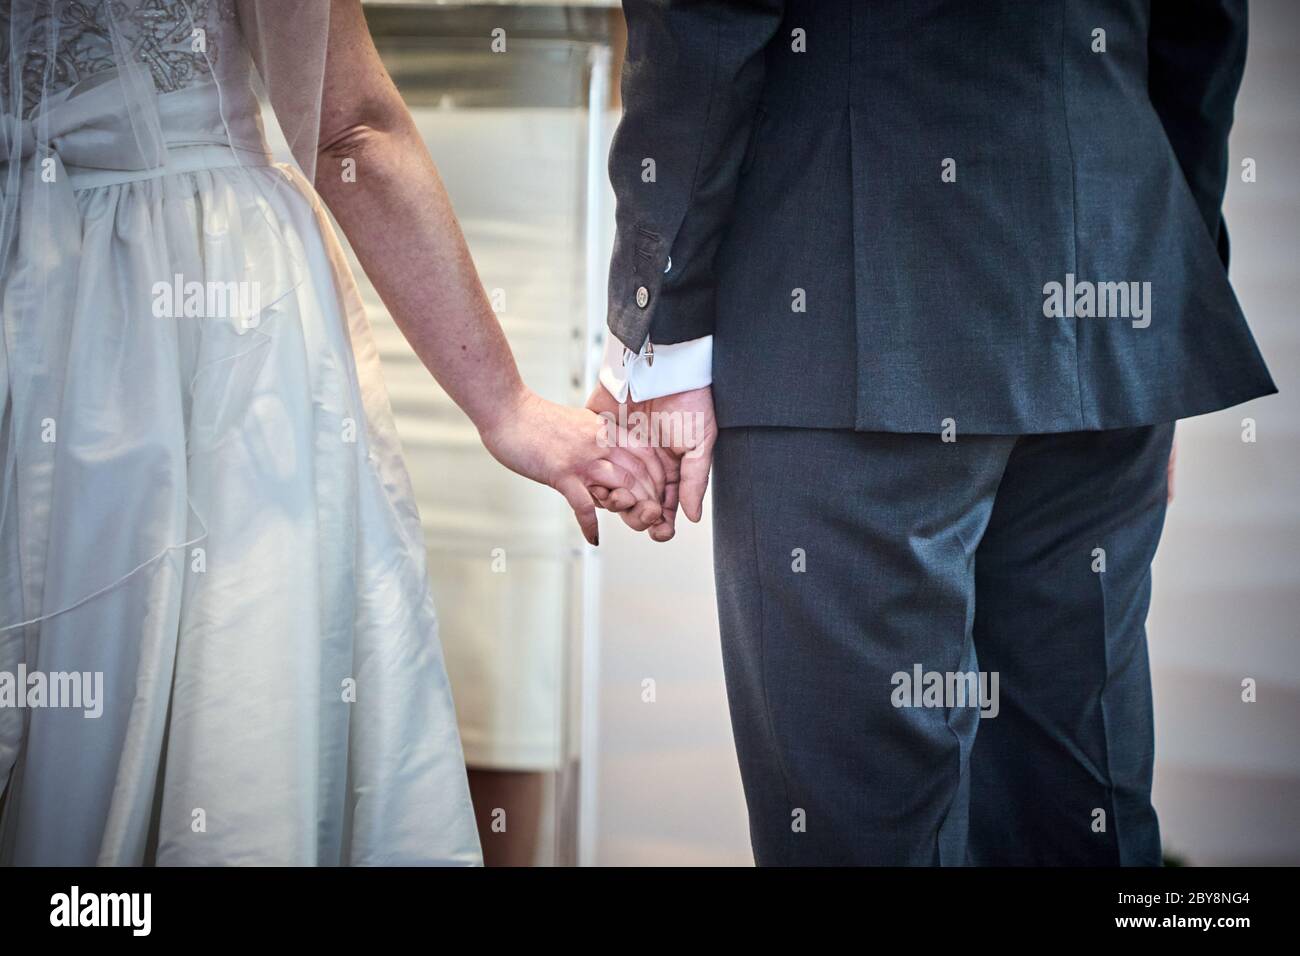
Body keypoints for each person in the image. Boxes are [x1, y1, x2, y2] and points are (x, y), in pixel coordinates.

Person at [591, 0, 1276, 864]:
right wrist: (1160, 311)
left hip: (853, 296)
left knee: (867, 826)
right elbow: (1204, 30)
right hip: (1105, 295)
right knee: (1073, 795)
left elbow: (706, 20)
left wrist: (664, 336)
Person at [0, 0, 661, 865]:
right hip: (196, 294)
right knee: (221, 711)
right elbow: (348, 129)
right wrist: (507, 406)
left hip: (29, 285)